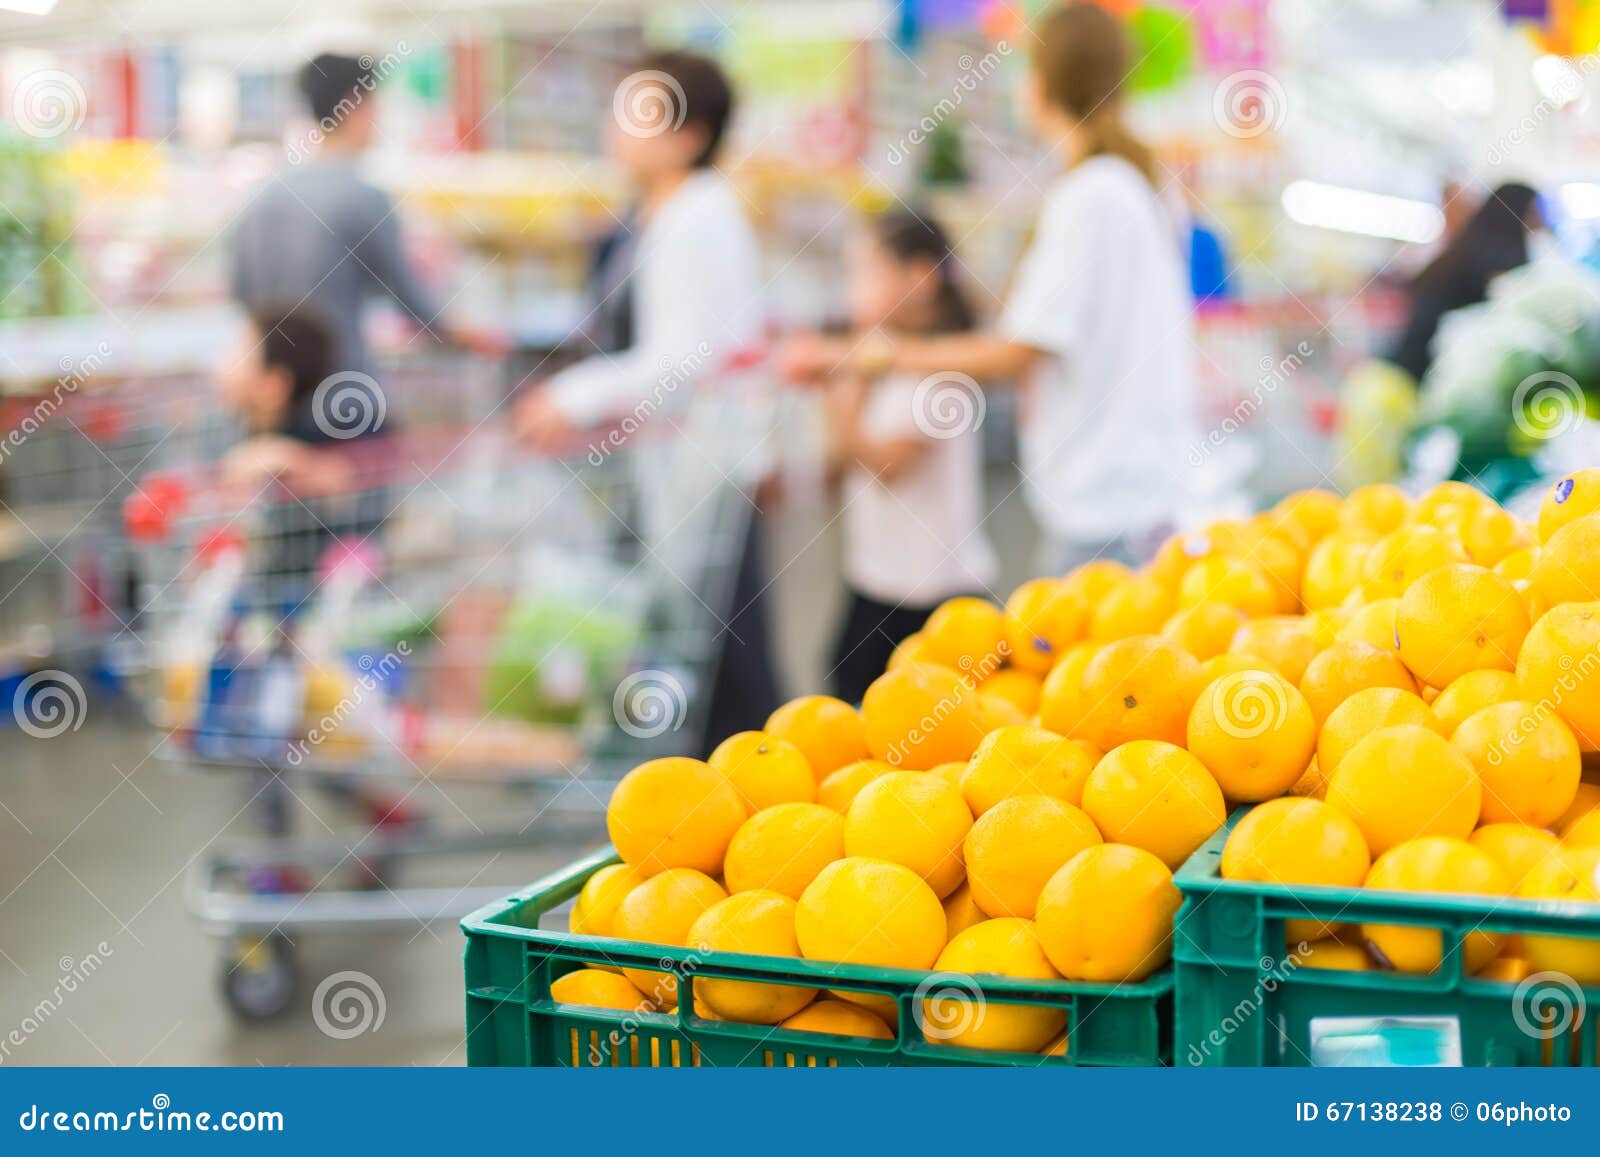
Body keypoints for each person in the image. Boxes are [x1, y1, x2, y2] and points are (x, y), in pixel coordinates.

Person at [782, 3, 1200, 575]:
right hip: (1137, 487)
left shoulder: (1091, 197)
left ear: (1042, 82)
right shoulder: (1140, 185)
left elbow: (1017, 350)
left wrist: (875, 354)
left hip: (1104, 501)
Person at [512, 50, 780, 744]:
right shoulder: (665, 213)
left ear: (691, 136)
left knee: (724, 666)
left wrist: (572, 397)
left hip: (703, 471)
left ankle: (766, 821)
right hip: (685, 469)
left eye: (642, 113)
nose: (618, 127)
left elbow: (682, 359)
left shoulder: (697, 217)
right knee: (713, 659)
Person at [823, 210, 998, 703]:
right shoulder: (887, 361)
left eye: (864, 270)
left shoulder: (945, 373)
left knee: (925, 715)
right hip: (875, 575)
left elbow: (889, 466)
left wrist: (840, 398)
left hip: (933, 593)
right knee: (850, 687)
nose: (852, 288)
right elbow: (839, 459)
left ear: (918, 279)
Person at [230, 52, 463, 377]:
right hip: (344, 390)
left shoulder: (262, 197)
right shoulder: (364, 198)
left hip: (274, 389)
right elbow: (414, 305)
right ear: (356, 106)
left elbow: (240, 295)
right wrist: (468, 336)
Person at [1388, 182, 1543, 383]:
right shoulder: (1500, 261)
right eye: (1533, 211)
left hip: (1412, 365)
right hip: (1432, 370)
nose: (1539, 221)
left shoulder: (1463, 250)